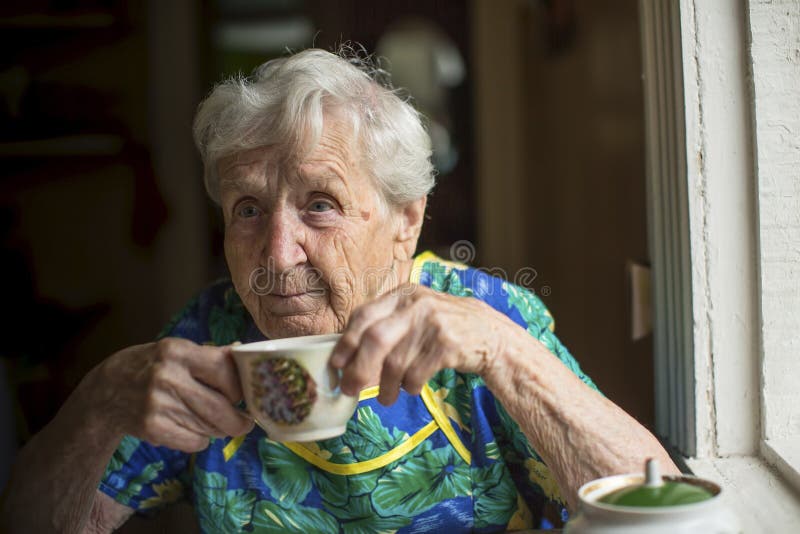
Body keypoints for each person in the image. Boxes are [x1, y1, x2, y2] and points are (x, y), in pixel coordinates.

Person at [0, 47, 678, 533]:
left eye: (319, 204)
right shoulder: (209, 335)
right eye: (247, 209)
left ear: (403, 222)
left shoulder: (483, 319)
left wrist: (506, 354)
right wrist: (98, 403)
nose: (277, 251)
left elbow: (668, 507)